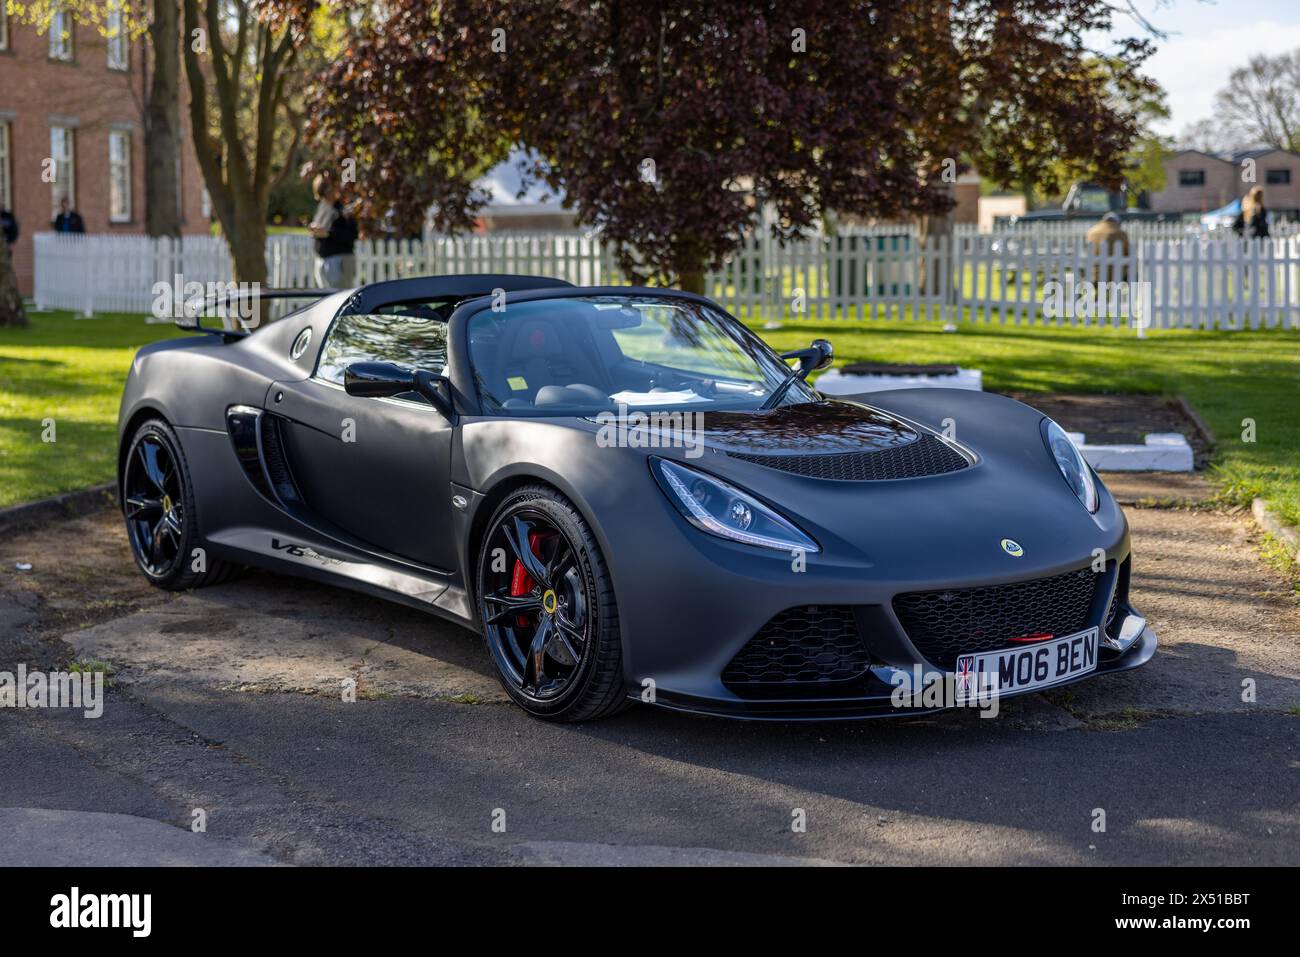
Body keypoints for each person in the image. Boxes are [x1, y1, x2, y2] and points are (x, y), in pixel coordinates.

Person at [309, 176, 358, 288]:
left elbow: (351, 234)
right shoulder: (323, 206)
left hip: (339, 260)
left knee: (340, 299)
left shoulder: (345, 208)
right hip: (322, 260)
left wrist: (328, 233)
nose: (325, 198)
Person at [1084, 211, 1130, 283]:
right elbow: (1128, 254)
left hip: (1094, 273)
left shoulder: (1091, 232)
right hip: (1116, 274)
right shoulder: (1121, 233)